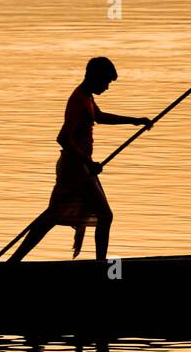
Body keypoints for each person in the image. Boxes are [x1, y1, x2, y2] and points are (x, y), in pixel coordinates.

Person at [8, 57, 152, 262]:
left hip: (81, 166)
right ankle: (100, 264)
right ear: (95, 77)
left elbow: (99, 117)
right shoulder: (78, 99)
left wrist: (134, 121)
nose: (107, 87)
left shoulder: (87, 97)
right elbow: (63, 138)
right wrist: (87, 161)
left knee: (52, 216)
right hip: (75, 167)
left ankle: (14, 261)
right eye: (106, 82)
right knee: (103, 215)